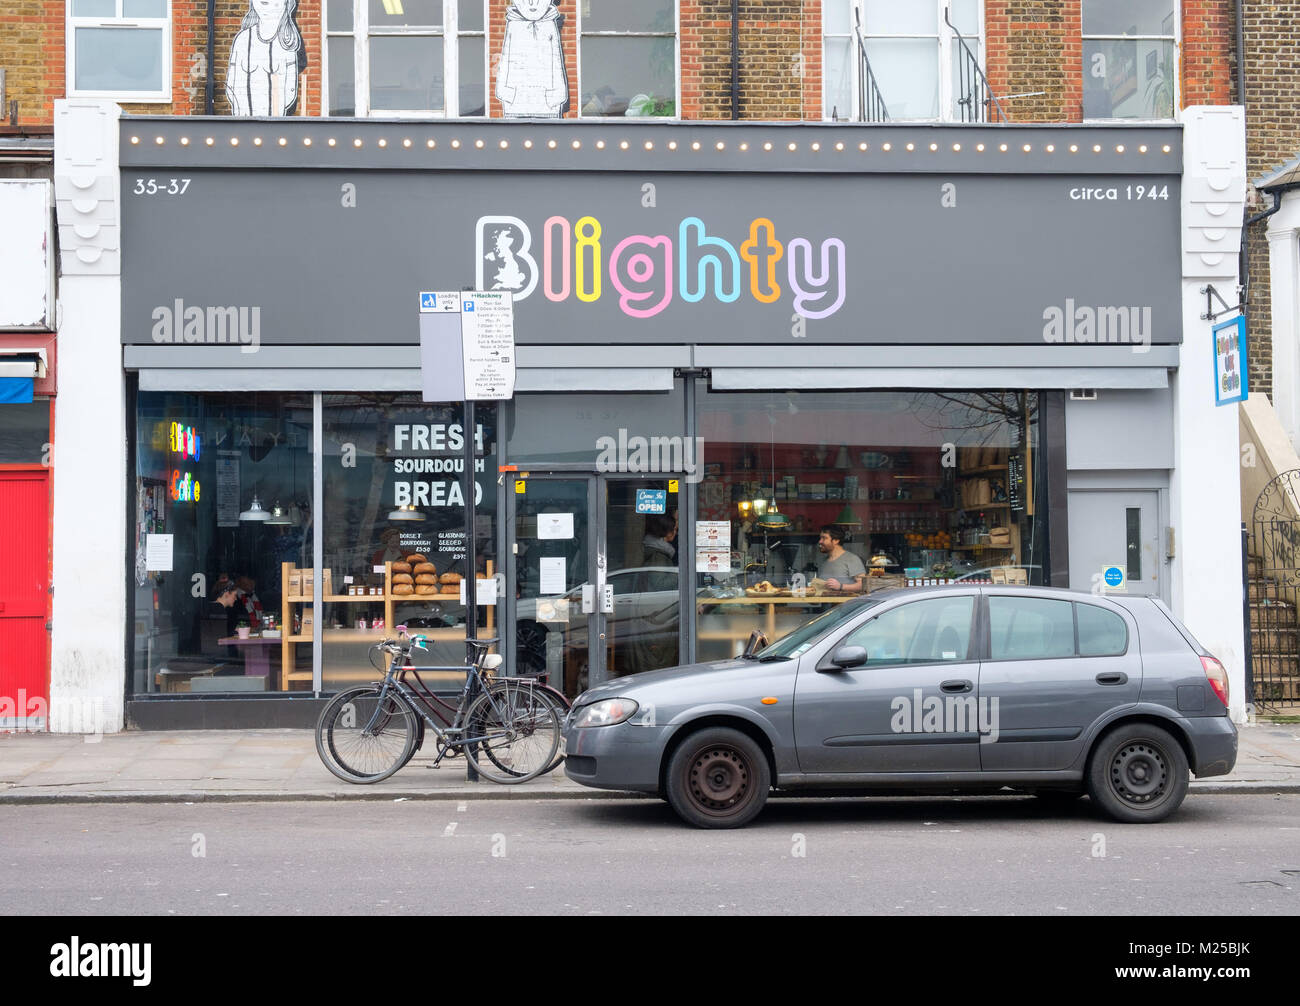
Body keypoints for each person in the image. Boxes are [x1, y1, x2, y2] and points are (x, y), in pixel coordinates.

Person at [225, 0, 307, 117]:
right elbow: (232, 86)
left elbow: (290, 91)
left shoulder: (287, 43)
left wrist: (276, 112)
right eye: (264, 3)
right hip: (244, 123)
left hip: (275, 126)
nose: (268, 6)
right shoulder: (242, 40)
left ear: (286, 4)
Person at [817, 526, 866, 595]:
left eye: (824, 538)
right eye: (820, 538)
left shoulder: (852, 559)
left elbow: (863, 585)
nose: (820, 541)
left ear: (836, 540)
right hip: (825, 605)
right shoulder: (823, 562)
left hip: (847, 605)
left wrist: (840, 586)